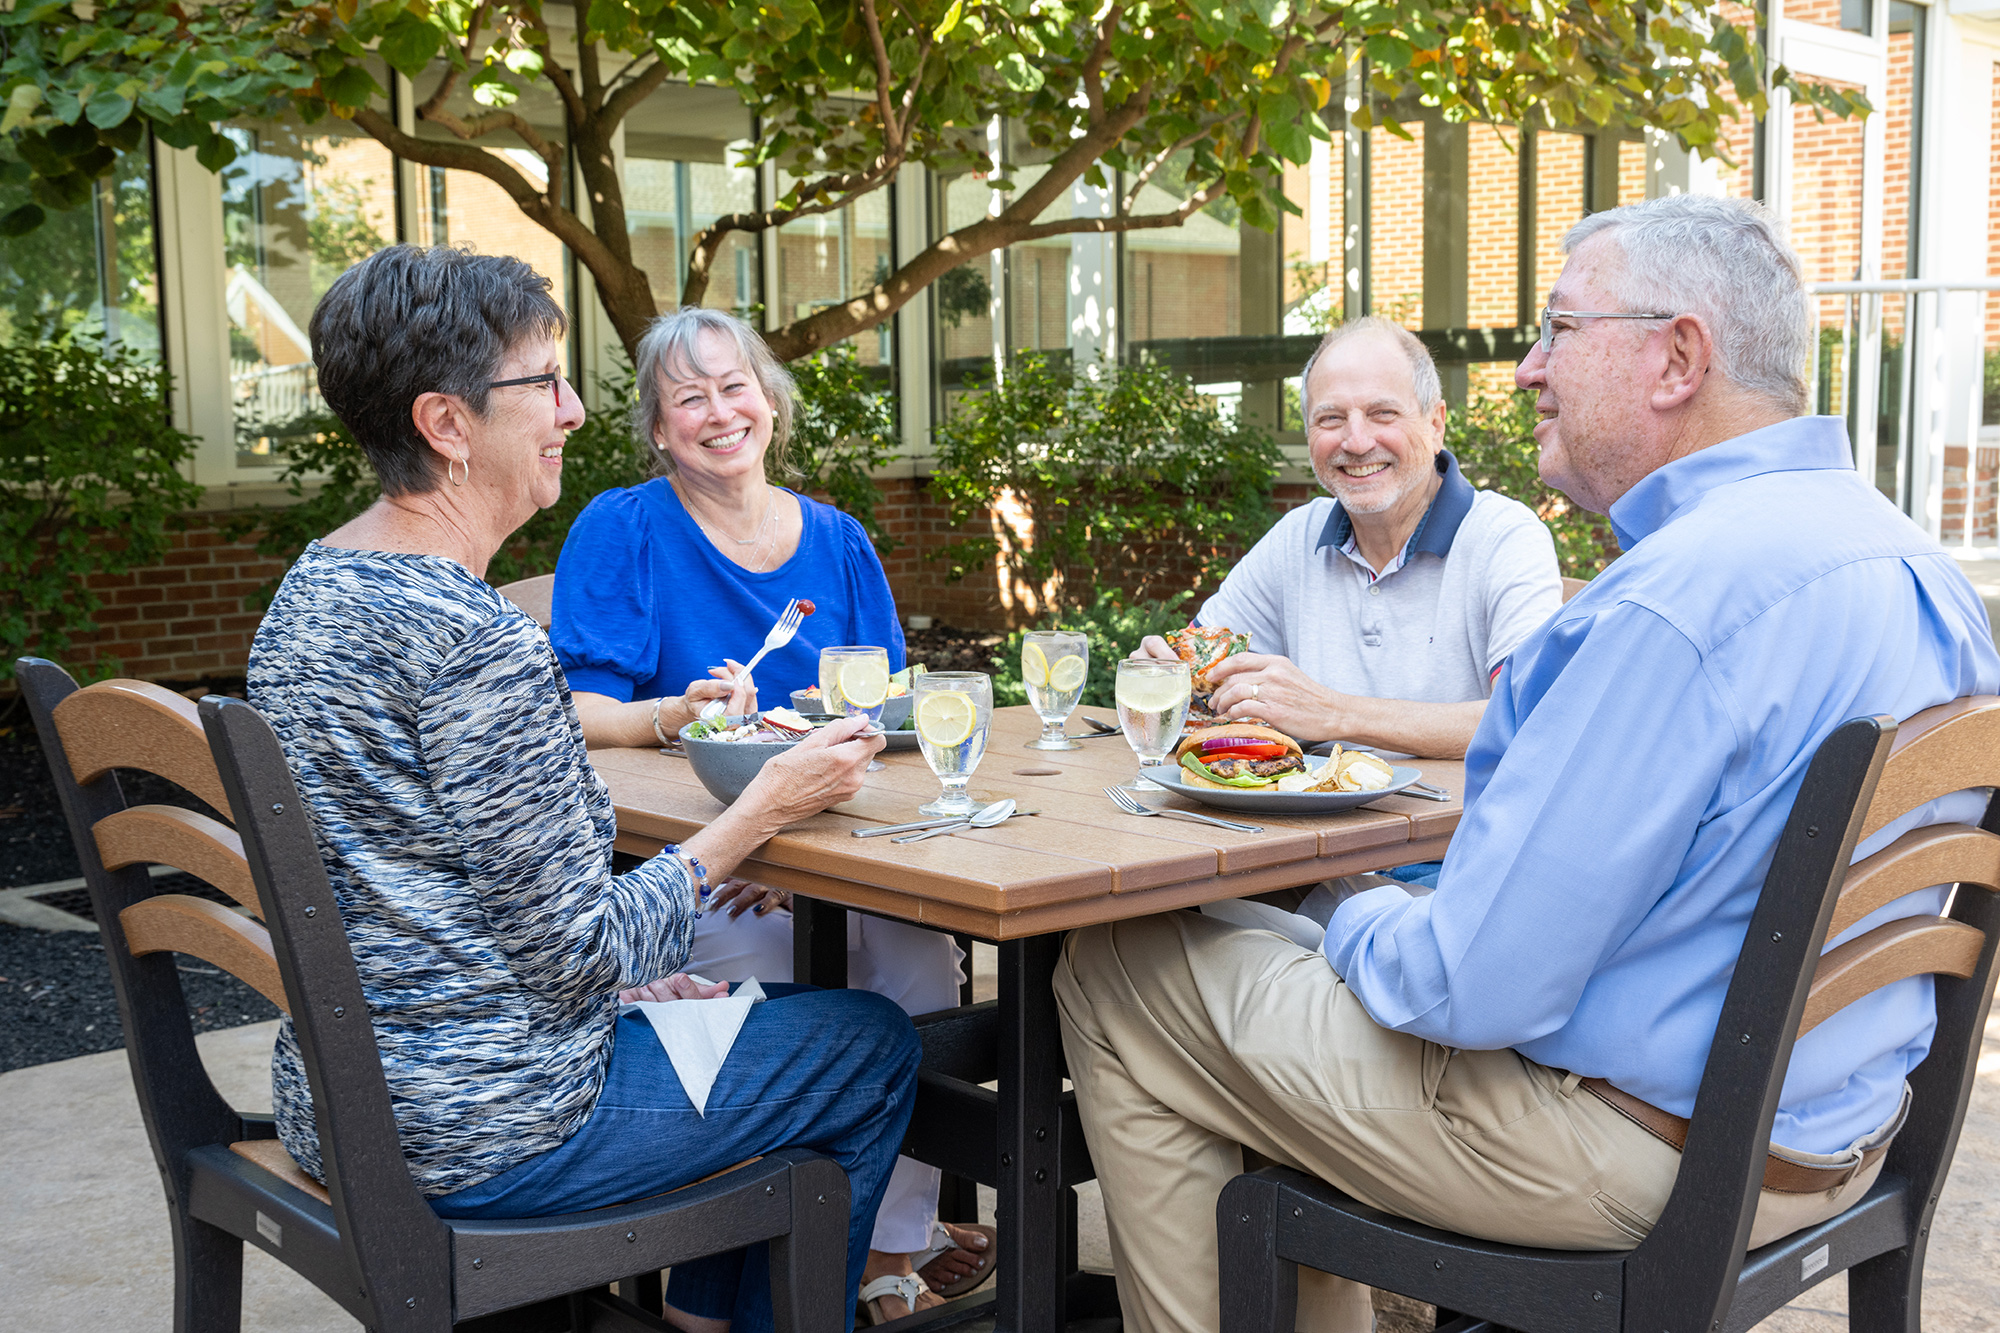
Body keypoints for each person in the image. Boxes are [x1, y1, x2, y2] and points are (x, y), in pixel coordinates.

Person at [1056, 194, 2000, 1333]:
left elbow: (1467, 986)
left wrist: (1346, 911)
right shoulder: (1917, 565)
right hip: (1831, 1128)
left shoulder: (1668, 607)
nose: (1525, 370)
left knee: (1119, 963)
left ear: (1676, 357)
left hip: (1632, 1151)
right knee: (1255, 969)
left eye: (1556, 330)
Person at [250, 244, 920, 1333]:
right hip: (492, 1120)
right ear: (446, 424)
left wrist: (626, 985)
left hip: (351, 1090)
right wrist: (762, 811)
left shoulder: (314, 590)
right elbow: (587, 953)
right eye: (543, 384)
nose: (567, 411)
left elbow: (448, 902)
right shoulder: (478, 644)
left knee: (761, 1018)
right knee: (865, 1043)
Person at [549, 306, 990, 1321]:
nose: (718, 411)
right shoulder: (621, 528)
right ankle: (738, 1267)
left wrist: (790, 834)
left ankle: (887, 1243)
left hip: (828, 846)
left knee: (923, 962)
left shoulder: (834, 538)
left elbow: (884, 709)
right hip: (694, 866)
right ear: (658, 429)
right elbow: (574, 713)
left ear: (770, 403)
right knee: (781, 989)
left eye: (734, 385)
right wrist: (677, 718)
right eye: (687, 397)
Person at [1132, 316, 1563, 761]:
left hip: (1450, 826)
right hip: (1303, 826)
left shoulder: (1505, 536)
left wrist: (1333, 714)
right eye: (1331, 418)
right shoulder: (1295, 538)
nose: (1356, 442)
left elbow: (1529, 716)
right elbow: (1198, 669)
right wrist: (1163, 675)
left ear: (1436, 425)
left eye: (1382, 413)